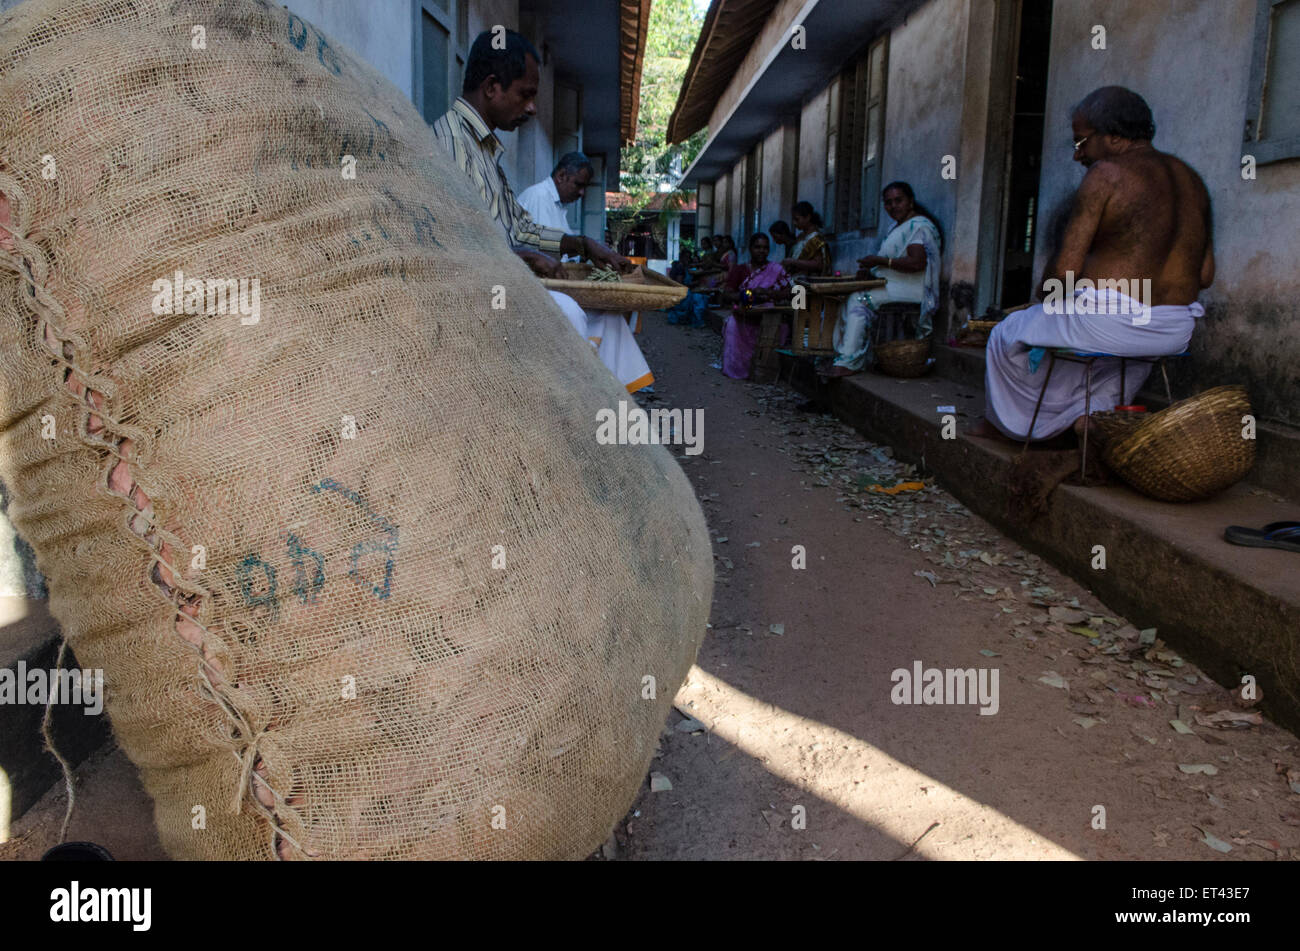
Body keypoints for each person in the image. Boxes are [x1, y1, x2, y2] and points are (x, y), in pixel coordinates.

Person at [980, 86, 1212, 440]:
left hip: (1106, 322)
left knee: (1004, 334)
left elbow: (1065, 274)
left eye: (1081, 142)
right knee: (1126, 357)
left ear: (1115, 137)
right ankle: (1091, 415)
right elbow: (1206, 275)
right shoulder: (1192, 179)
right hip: (1173, 331)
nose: (1078, 156)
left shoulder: (1105, 174)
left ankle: (1016, 427)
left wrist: (1044, 296)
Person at [432, 30, 654, 394]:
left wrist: (580, 244)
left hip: (504, 282)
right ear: (492, 87)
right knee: (568, 312)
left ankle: (608, 411)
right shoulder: (453, 144)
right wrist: (524, 256)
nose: (533, 108)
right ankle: (572, 418)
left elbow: (518, 228)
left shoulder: (484, 150)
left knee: (609, 321)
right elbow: (454, 242)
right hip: (477, 297)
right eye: (526, 94)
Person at [823, 182, 943, 377]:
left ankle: (849, 361)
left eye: (899, 200)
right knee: (848, 296)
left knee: (859, 301)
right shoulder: (896, 227)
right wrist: (871, 270)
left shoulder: (920, 226)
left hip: (915, 288)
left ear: (910, 202)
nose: (893, 206)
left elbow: (916, 263)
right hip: (894, 284)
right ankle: (843, 354)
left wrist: (879, 261)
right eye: (888, 203)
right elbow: (892, 263)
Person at [720, 232, 792, 379]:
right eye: (757, 247)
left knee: (783, 327)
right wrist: (748, 295)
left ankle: (767, 370)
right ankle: (737, 369)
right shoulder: (740, 270)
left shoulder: (775, 269)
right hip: (744, 315)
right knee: (732, 325)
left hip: (768, 317)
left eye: (765, 248)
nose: (761, 251)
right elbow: (727, 294)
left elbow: (791, 291)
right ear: (750, 249)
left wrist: (768, 293)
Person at [518, 151, 594, 235]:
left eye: (584, 188)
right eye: (578, 185)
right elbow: (543, 244)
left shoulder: (557, 204)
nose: (582, 193)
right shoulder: (539, 196)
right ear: (561, 176)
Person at [781, 202, 830, 277]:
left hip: (807, 281)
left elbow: (819, 265)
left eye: (797, 219)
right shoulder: (800, 236)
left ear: (808, 217)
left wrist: (793, 262)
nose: (794, 223)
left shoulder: (816, 239)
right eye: (793, 220)